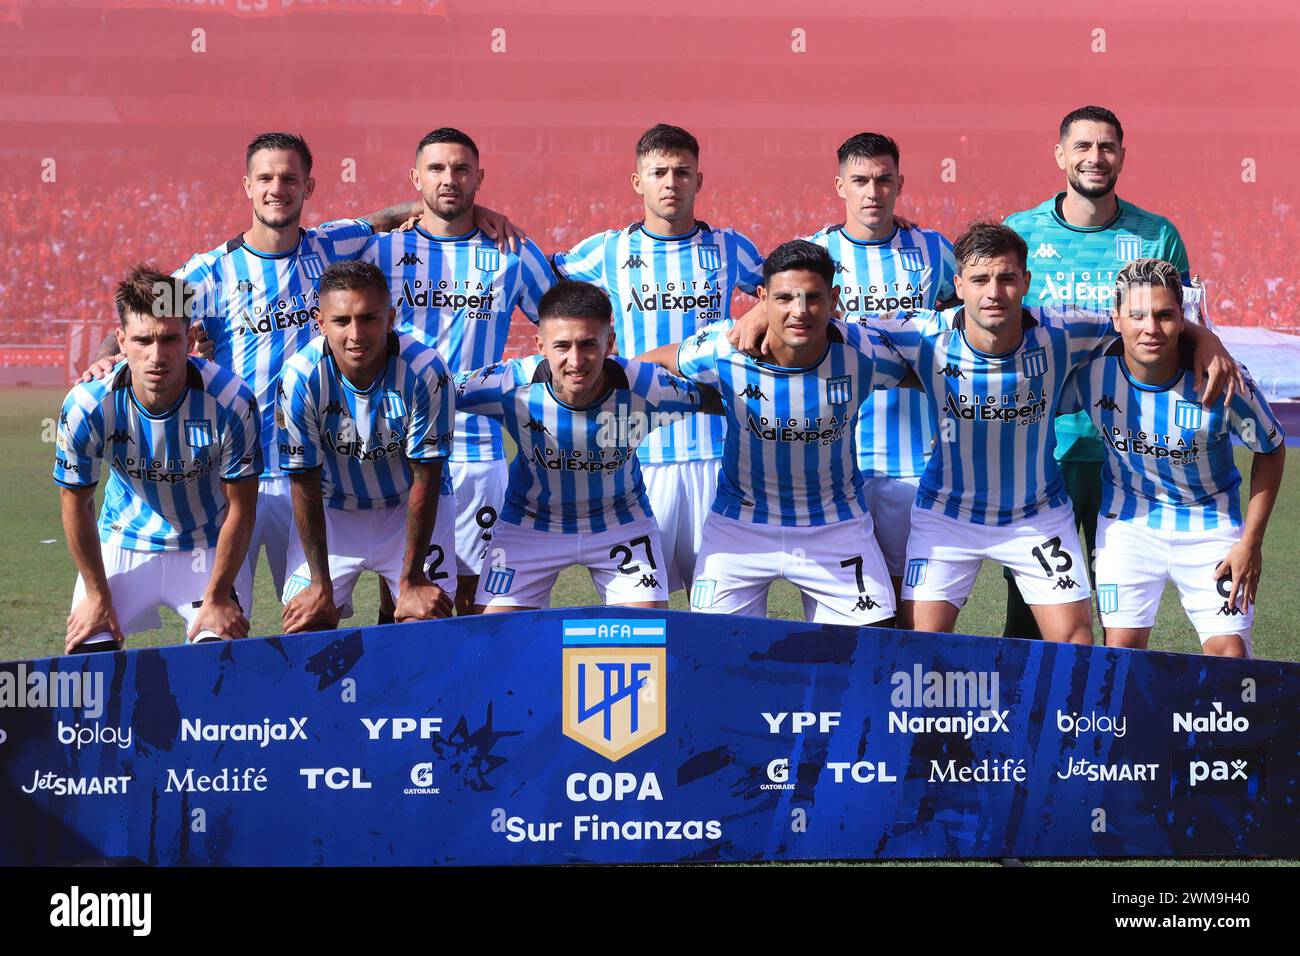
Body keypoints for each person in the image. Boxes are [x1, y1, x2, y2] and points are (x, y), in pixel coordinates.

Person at [79, 132, 517, 622]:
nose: (277, 188)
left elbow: (393, 217)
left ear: (308, 187)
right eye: (265, 178)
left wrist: (475, 212)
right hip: (238, 478)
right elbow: (144, 318)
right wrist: (103, 358)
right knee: (225, 620)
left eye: (289, 178)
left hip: (312, 478)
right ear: (247, 186)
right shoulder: (211, 273)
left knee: (314, 618)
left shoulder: (334, 245)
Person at [863, 223, 1238, 644]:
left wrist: (1203, 336)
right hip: (947, 517)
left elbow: (1139, 320)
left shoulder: (1063, 330)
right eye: (980, 279)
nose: (993, 292)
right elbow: (843, 333)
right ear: (958, 284)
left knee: (1076, 645)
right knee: (917, 643)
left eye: (1006, 278)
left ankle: (1063, 713)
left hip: (1036, 516)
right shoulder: (923, 335)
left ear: (1025, 281)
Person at [638, 240, 906, 626]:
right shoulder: (725, 347)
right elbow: (654, 363)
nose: (799, 311)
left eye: (813, 298)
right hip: (739, 527)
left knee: (870, 657)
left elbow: (927, 368)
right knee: (712, 656)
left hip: (836, 525)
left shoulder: (864, 351)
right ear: (762, 298)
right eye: (783, 298)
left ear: (834, 299)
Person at [1001, 105, 1193, 639]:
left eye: (1106, 147)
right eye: (1082, 146)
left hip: (1128, 452)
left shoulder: (1158, 237)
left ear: (1122, 157)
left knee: (1120, 613)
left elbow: (1188, 323)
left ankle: (1107, 719)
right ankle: (1026, 717)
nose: (1095, 157)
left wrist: (1213, 342)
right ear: (1060, 154)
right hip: (1042, 450)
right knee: (1033, 613)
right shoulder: (1019, 235)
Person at [552, 124, 764, 595]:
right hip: (639, 453)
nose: (671, 183)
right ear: (637, 181)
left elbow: (785, 290)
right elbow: (535, 276)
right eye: (659, 172)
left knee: (720, 606)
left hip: (716, 450)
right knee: (642, 607)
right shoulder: (607, 250)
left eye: (682, 172)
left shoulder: (731, 248)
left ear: (698, 180)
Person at [360, 128, 556, 615]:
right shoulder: (380, 254)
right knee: (404, 595)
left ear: (479, 178)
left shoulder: (513, 253)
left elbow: (560, 323)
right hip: (398, 447)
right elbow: (313, 250)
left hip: (478, 451)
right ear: (416, 178)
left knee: (470, 598)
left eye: (461, 169)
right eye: (437, 169)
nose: (450, 179)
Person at [1061, 259, 1285, 657]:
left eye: (1165, 315)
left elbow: (1270, 449)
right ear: (1116, 319)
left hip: (1211, 526)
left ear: (1183, 320)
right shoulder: (1089, 372)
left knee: (1229, 656)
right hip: (1126, 527)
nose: (1150, 327)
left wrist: (1251, 543)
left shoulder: (1224, 381)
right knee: (1121, 657)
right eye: (1137, 315)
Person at [455, 280, 713, 612]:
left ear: (609, 343)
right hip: (529, 525)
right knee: (494, 641)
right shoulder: (507, 384)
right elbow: (432, 388)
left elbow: (727, 399)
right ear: (540, 346)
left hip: (620, 525)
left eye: (588, 344)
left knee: (646, 640)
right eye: (562, 346)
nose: (576, 361)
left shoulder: (647, 386)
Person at [55, 265, 260, 653]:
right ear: (121, 340)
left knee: (220, 660)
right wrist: (97, 596)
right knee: (88, 659)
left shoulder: (232, 401)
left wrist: (217, 597)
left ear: (189, 340)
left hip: (208, 544)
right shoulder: (86, 405)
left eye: (169, 339)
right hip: (122, 542)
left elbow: (242, 507)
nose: (156, 356)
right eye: (143, 340)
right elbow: (76, 503)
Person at [804, 132, 958, 603]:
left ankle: (903, 676)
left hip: (913, 459)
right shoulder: (812, 255)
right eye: (861, 181)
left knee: (904, 592)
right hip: (834, 458)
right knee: (843, 596)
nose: (873, 192)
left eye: (884, 180)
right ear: (839, 186)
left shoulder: (933, 249)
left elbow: (962, 323)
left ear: (899, 183)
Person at [277, 262, 456, 632]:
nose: (356, 333)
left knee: (423, 618)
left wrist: (411, 582)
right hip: (333, 509)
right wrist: (319, 584)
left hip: (408, 504)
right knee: (307, 620)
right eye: (341, 320)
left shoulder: (426, 370)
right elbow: (304, 483)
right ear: (320, 322)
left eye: (368, 318)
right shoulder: (299, 377)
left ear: (390, 318)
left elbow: (427, 478)